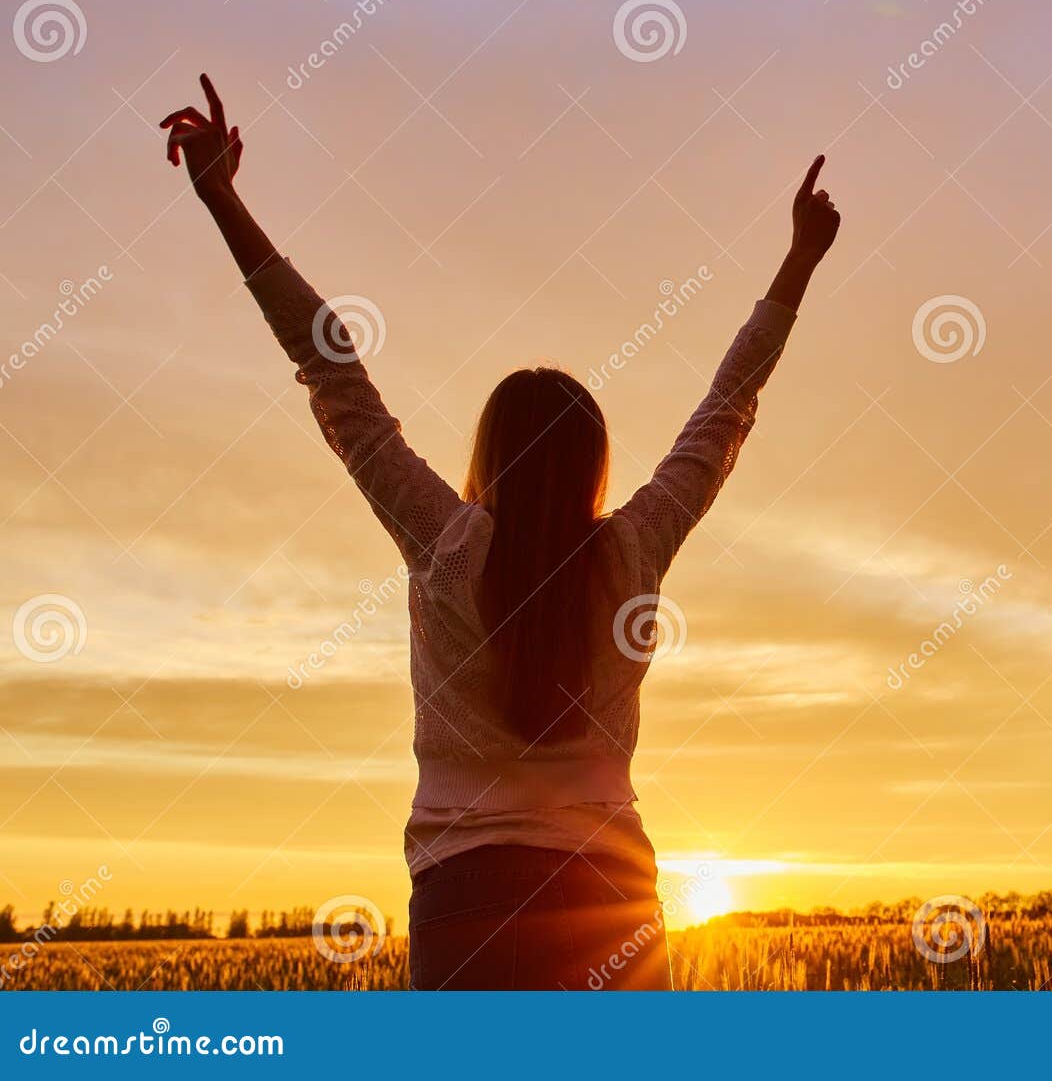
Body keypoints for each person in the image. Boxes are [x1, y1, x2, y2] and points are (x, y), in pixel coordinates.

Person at [161, 74, 842, 989]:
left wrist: (222, 200)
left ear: (490, 454)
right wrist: (797, 263)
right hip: (607, 899)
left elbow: (335, 375)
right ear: (594, 466)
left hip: (463, 899)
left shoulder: (447, 546)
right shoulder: (630, 552)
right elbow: (723, 414)